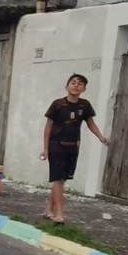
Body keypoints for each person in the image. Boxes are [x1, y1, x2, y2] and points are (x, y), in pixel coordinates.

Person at [39, 74, 110, 224]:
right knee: (58, 179)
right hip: (56, 146)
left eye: (80, 84)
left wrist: (100, 137)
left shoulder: (84, 105)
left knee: (62, 180)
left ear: (84, 89)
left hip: (72, 146)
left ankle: (48, 210)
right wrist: (45, 149)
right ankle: (58, 213)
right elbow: (48, 126)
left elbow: (90, 123)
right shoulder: (57, 104)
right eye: (73, 83)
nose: (76, 85)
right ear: (67, 86)